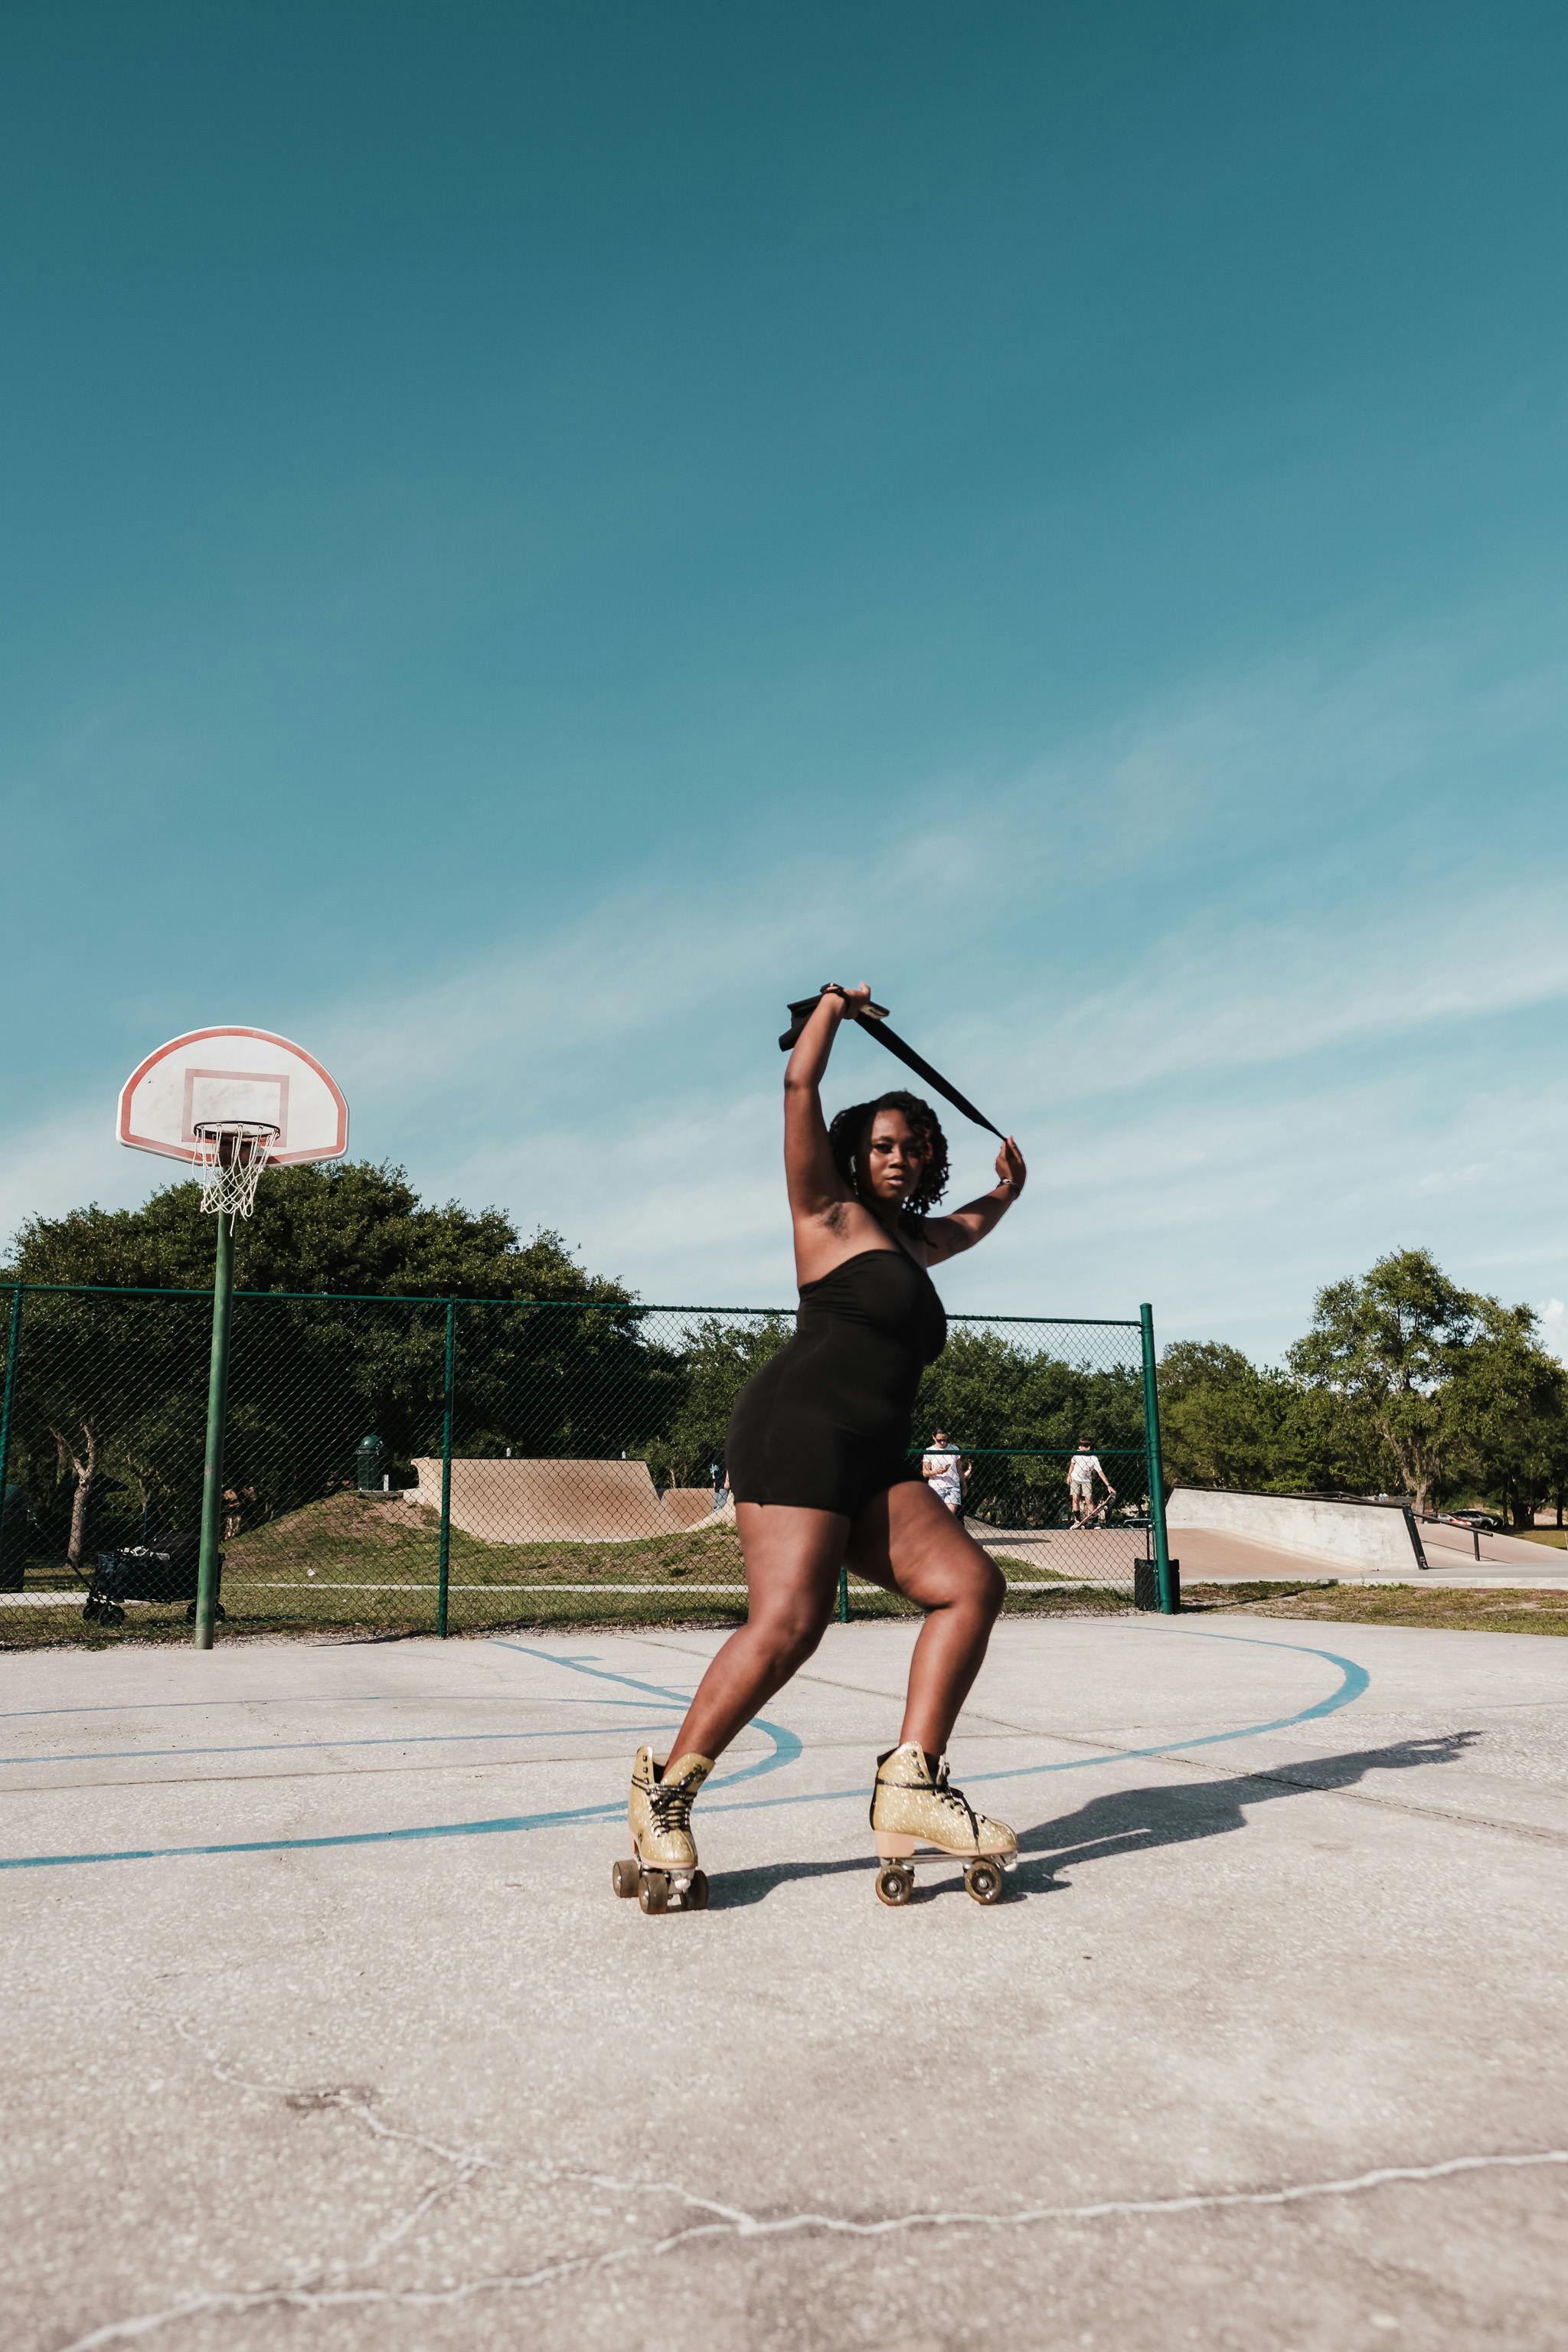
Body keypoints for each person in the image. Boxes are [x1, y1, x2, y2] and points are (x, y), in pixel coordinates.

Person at [616, 982, 1028, 1912]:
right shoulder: (825, 1214)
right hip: (797, 1430)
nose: (898, 1158)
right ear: (854, 1153)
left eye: (911, 1147)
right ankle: (664, 1794)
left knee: (969, 1585)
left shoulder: (912, 1244)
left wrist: (1006, 1191)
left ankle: (911, 1780)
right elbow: (798, 1090)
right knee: (789, 1624)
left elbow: (964, 1229)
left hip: (874, 1455)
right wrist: (832, 1009)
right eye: (881, 1145)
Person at [1067, 1438, 1115, 1527]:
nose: (1080, 1447)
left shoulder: (1094, 1458)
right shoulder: (1077, 1454)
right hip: (1075, 1478)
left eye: (1083, 1446)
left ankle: (1094, 1522)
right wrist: (1069, 1475)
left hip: (1087, 1480)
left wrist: (1108, 1485)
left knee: (1089, 1500)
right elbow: (1072, 1465)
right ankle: (1077, 1521)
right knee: (1075, 1498)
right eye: (1083, 1446)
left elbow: (1100, 1472)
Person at [921, 1429, 966, 1516]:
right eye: (939, 1440)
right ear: (934, 1438)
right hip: (936, 1486)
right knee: (936, 1514)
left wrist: (964, 1484)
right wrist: (936, 1471)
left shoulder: (954, 1449)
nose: (942, 1443)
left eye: (944, 1440)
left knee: (950, 1515)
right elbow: (925, 1472)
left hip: (953, 1485)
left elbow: (959, 1469)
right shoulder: (929, 1450)